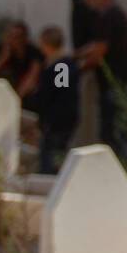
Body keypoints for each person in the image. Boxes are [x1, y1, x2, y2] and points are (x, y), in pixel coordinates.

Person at [75, 0, 127, 162]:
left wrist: (74, 70)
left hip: (116, 81)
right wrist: (74, 57)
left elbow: (99, 51)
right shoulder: (105, 16)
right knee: (111, 127)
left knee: (113, 130)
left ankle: (118, 166)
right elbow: (94, 46)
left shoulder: (111, 15)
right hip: (111, 82)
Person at [33, 26, 78, 175]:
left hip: (58, 119)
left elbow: (61, 94)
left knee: (52, 155)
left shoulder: (61, 67)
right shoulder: (58, 64)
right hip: (58, 117)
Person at [0, 20, 43, 102]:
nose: (14, 40)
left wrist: (15, 99)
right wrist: (3, 58)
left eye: (18, 37)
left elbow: (32, 77)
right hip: (2, 93)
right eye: (11, 36)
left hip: (24, 96)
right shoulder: (0, 50)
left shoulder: (33, 53)